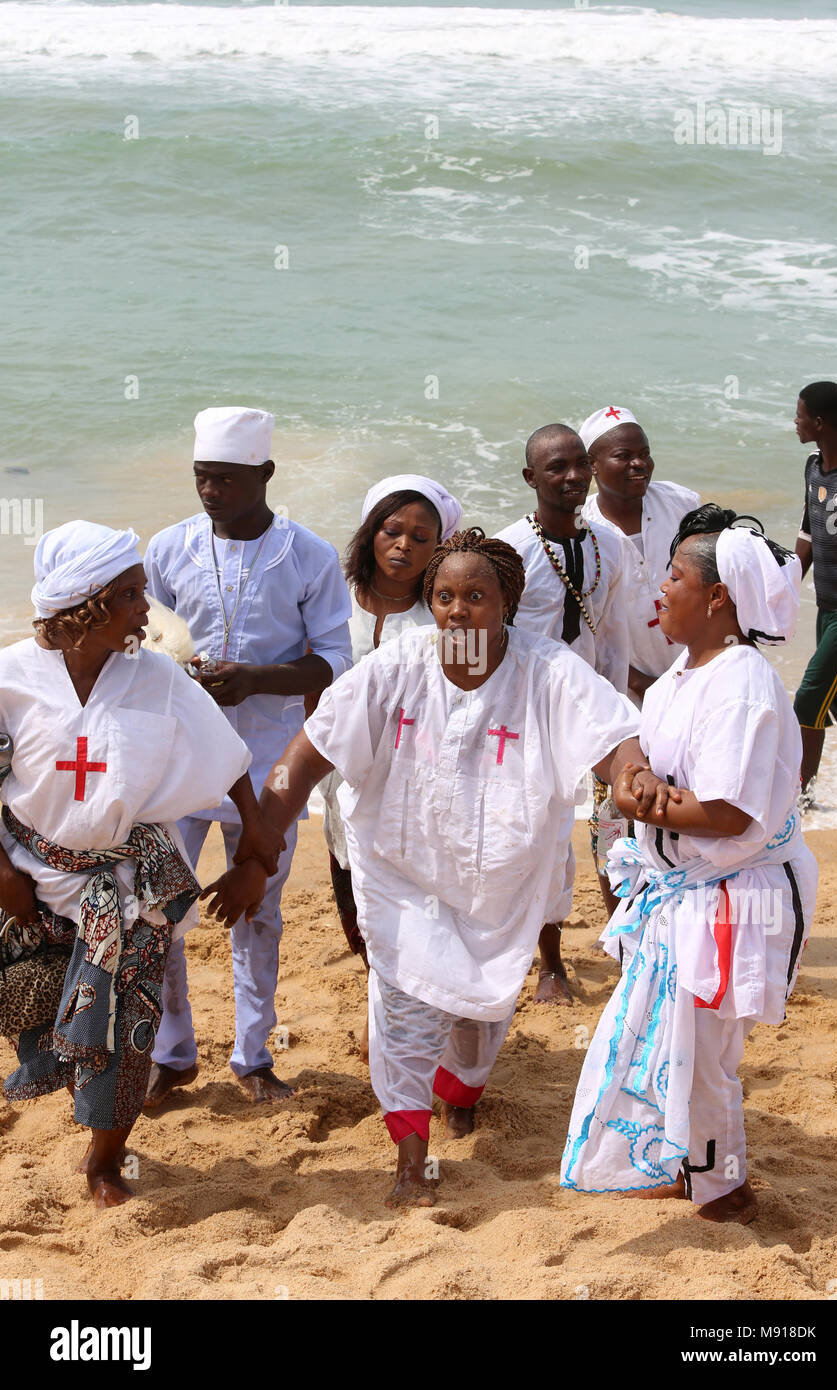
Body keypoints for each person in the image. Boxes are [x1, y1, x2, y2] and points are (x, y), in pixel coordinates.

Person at [202, 528, 643, 1208]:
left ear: (507, 603)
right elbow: (306, 755)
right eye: (443, 596)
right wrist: (259, 854)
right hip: (401, 875)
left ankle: (461, 1092)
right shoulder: (396, 669)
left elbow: (612, 737)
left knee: (481, 1017)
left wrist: (633, 775)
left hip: (503, 883)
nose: (457, 611)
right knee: (404, 1013)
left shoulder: (547, 671)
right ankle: (411, 1164)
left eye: (475, 596)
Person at [0, 522, 280, 1208]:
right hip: (26, 866)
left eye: (142, 591)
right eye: (129, 595)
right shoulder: (9, 677)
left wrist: (255, 852)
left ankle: (104, 1161)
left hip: (130, 881)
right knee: (30, 999)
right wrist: (5, 875)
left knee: (125, 1029)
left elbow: (231, 760)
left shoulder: (156, 677)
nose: (146, 612)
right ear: (83, 607)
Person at [561, 505, 817, 1224]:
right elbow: (643, 748)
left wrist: (645, 808)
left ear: (717, 599)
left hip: (732, 895)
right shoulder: (685, 670)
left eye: (674, 576)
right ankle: (691, 1167)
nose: (659, 589)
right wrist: (632, 772)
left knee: (705, 1054)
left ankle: (724, 1189)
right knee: (681, 1042)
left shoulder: (739, 683)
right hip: (690, 891)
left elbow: (730, 814)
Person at [143, 407, 352, 1106]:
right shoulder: (168, 550)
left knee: (259, 909)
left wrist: (256, 678)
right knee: (163, 908)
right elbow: (146, 648)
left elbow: (333, 662)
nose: (210, 492)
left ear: (264, 475)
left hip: (270, 765)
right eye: (202, 478)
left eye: (226, 480)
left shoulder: (310, 556)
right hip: (180, 761)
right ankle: (172, 1053)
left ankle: (253, 1054)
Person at [317, 475, 462, 1047]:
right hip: (340, 783)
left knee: (421, 911)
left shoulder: (441, 616)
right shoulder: (331, 599)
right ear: (370, 533)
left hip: (418, 788)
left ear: (437, 549)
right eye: (391, 530)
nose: (403, 545)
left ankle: (421, 1028)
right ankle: (389, 1005)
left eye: (421, 537)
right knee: (355, 904)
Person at [497, 424, 631, 997]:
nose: (574, 476)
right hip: (527, 715)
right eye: (557, 467)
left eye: (580, 463)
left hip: (594, 708)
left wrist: (621, 712)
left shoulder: (609, 544)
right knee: (542, 837)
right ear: (531, 478)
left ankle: (626, 941)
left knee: (617, 824)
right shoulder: (511, 552)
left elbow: (616, 633)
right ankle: (549, 962)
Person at [580, 405, 700, 706]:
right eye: (624, 456)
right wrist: (639, 682)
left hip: (697, 674)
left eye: (645, 454)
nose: (640, 464)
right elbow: (587, 627)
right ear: (592, 464)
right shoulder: (582, 529)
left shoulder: (681, 504)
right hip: (626, 691)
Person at [792, 381, 837, 806]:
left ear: (819, 422)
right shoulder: (812, 467)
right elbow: (809, 530)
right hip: (826, 605)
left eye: (800, 415)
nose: (795, 422)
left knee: (809, 701)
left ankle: (801, 799)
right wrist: (783, 584)